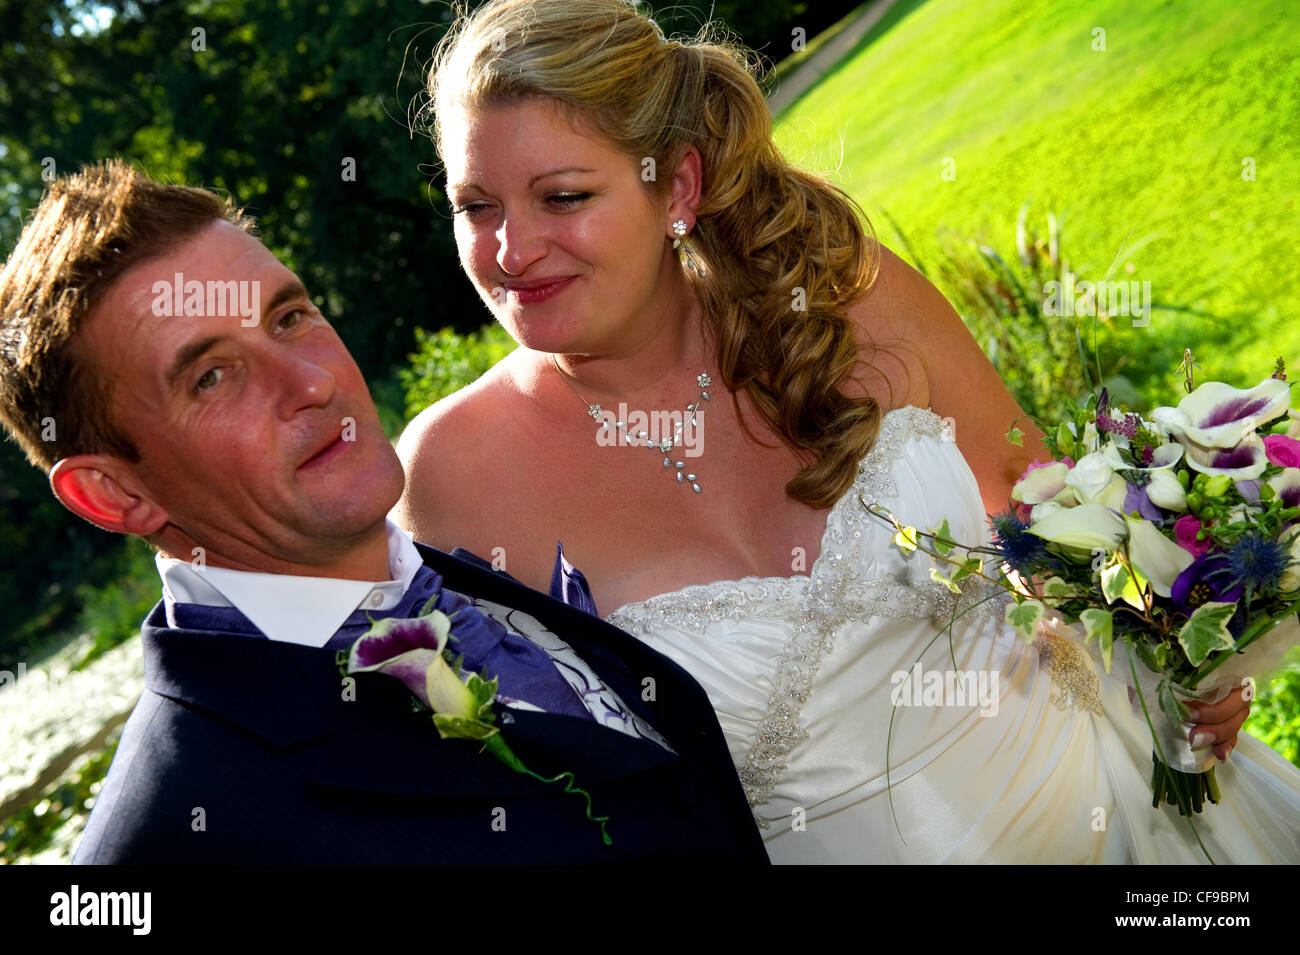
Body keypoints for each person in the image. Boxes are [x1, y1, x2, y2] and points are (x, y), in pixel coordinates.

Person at [393, 0, 1300, 862]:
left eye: (560, 197)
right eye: (477, 206)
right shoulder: (451, 475)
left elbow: (1050, 507)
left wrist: (1173, 646)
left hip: (1140, 817)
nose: (512, 250)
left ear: (677, 186)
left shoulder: (845, 302)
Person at [0, 159, 768, 864]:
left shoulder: (481, 566)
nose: (309, 382)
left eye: (289, 317)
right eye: (211, 377)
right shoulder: (166, 842)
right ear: (114, 493)